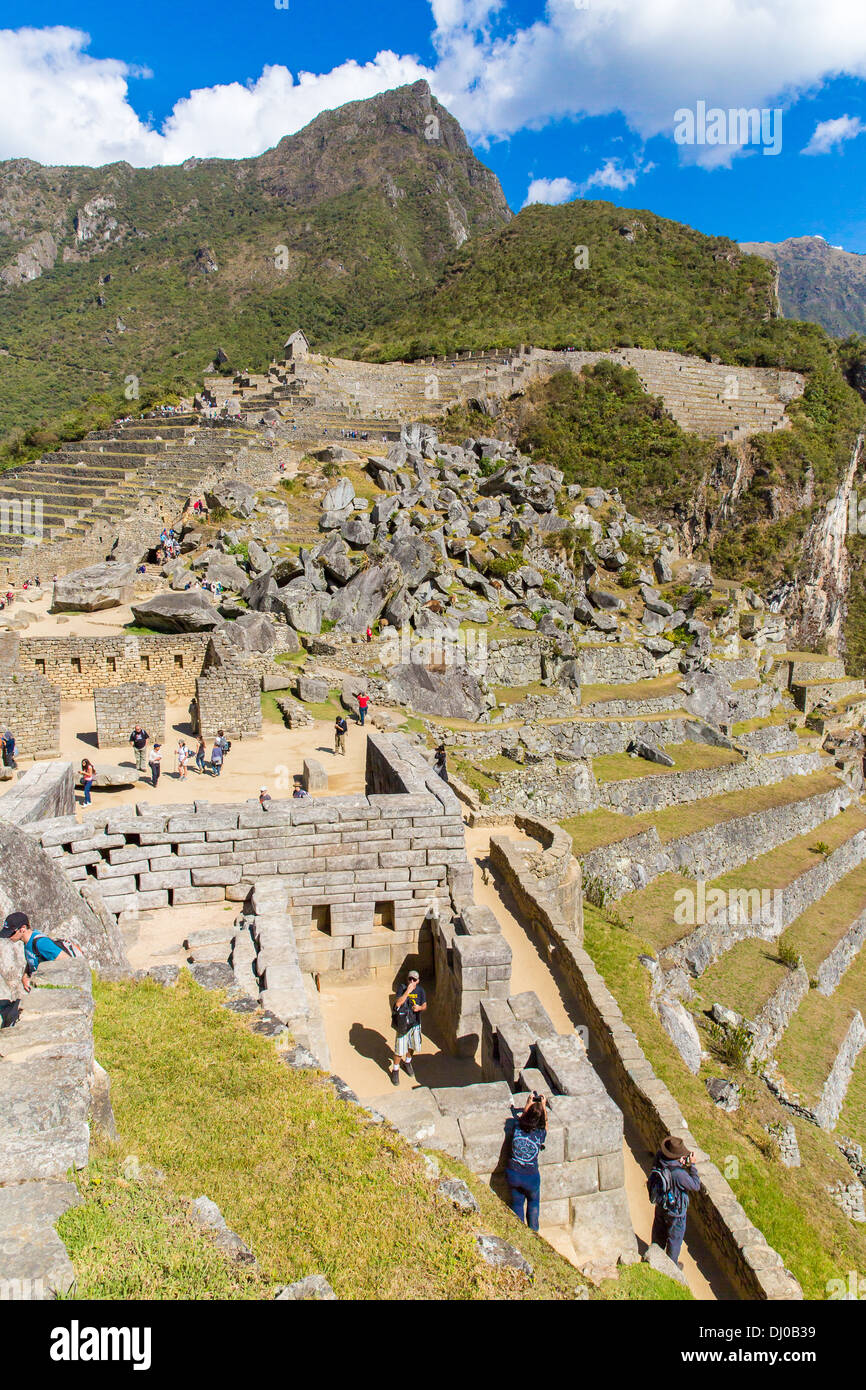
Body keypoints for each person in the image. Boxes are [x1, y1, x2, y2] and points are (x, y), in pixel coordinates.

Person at [648, 1135, 701, 1269]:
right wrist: (692, 1166)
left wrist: (681, 1163)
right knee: (674, 1240)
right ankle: (671, 1267)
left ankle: (653, 1260)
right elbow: (695, 1185)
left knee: (658, 1233)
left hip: (661, 1205)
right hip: (676, 1212)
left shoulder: (659, 1160)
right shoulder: (679, 1174)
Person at [0, 912, 81, 994]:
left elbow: (68, 962)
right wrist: (25, 976)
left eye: (11, 933)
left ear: (23, 929)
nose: (9, 936)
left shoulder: (41, 943)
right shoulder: (27, 941)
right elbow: (33, 958)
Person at [505, 1092, 548, 1232]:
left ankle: (520, 1233)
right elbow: (546, 1125)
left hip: (513, 1174)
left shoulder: (517, 1127)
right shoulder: (540, 1134)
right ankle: (533, 1232)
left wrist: (528, 1103)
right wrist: (543, 1107)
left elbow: (522, 1117)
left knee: (517, 1204)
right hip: (531, 1176)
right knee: (533, 1202)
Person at [389, 969, 426, 1086]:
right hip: (403, 1024)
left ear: (418, 981)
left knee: (413, 1045)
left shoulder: (421, 991)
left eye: (414, 979)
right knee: (399, 1049)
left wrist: (419, 1008)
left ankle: (408, 1062)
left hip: (415, 1023)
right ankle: (395, 1070)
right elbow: (398, 1004)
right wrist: (407, 992)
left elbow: (425, 1005)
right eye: (410, 979)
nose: (411, 981)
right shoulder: (402, 988)